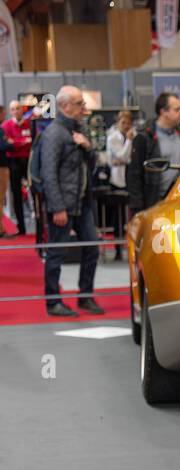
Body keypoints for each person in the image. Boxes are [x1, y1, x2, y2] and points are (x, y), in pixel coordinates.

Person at [39, 85, 103, 317]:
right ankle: (53, 301)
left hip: (82, 202)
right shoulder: (54, 133)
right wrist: (57, 207)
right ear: (65, 106)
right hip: (63, 205)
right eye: (79, 103)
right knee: (56, 254)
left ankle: (85, 296)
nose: (83, 108)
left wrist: (88, 147)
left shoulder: (78, 131)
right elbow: (48, 173)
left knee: (92, 249)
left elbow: (91, 164)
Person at [126, 92, 180, 212]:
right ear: (163, 112)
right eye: (177, 110)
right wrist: (138, 207)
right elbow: (134, 174)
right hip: (155, 203)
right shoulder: (145, 138)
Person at [2, 101, 32, 235]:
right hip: (13, 162)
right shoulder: (5, 126)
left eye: (18, 108)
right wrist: (23, 142)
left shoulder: (29, 124)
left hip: (28, 161)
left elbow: (32, 142)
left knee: (35, 190)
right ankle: (21, 228)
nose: (15, 111)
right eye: (13, 109)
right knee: (16, 195)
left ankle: (38, 222)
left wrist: (16, 142)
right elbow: (8, 145)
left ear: (22, 110)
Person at [105, 110, 134, 190]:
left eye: (128, 123)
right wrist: (129, 140)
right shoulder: (113, 138)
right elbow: (122, 157)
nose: (126, 126)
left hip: (131, 177)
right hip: (117, 179)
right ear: (118, 123)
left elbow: (136, 157)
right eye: (123, 122)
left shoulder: (134, 135)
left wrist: (126, 161)